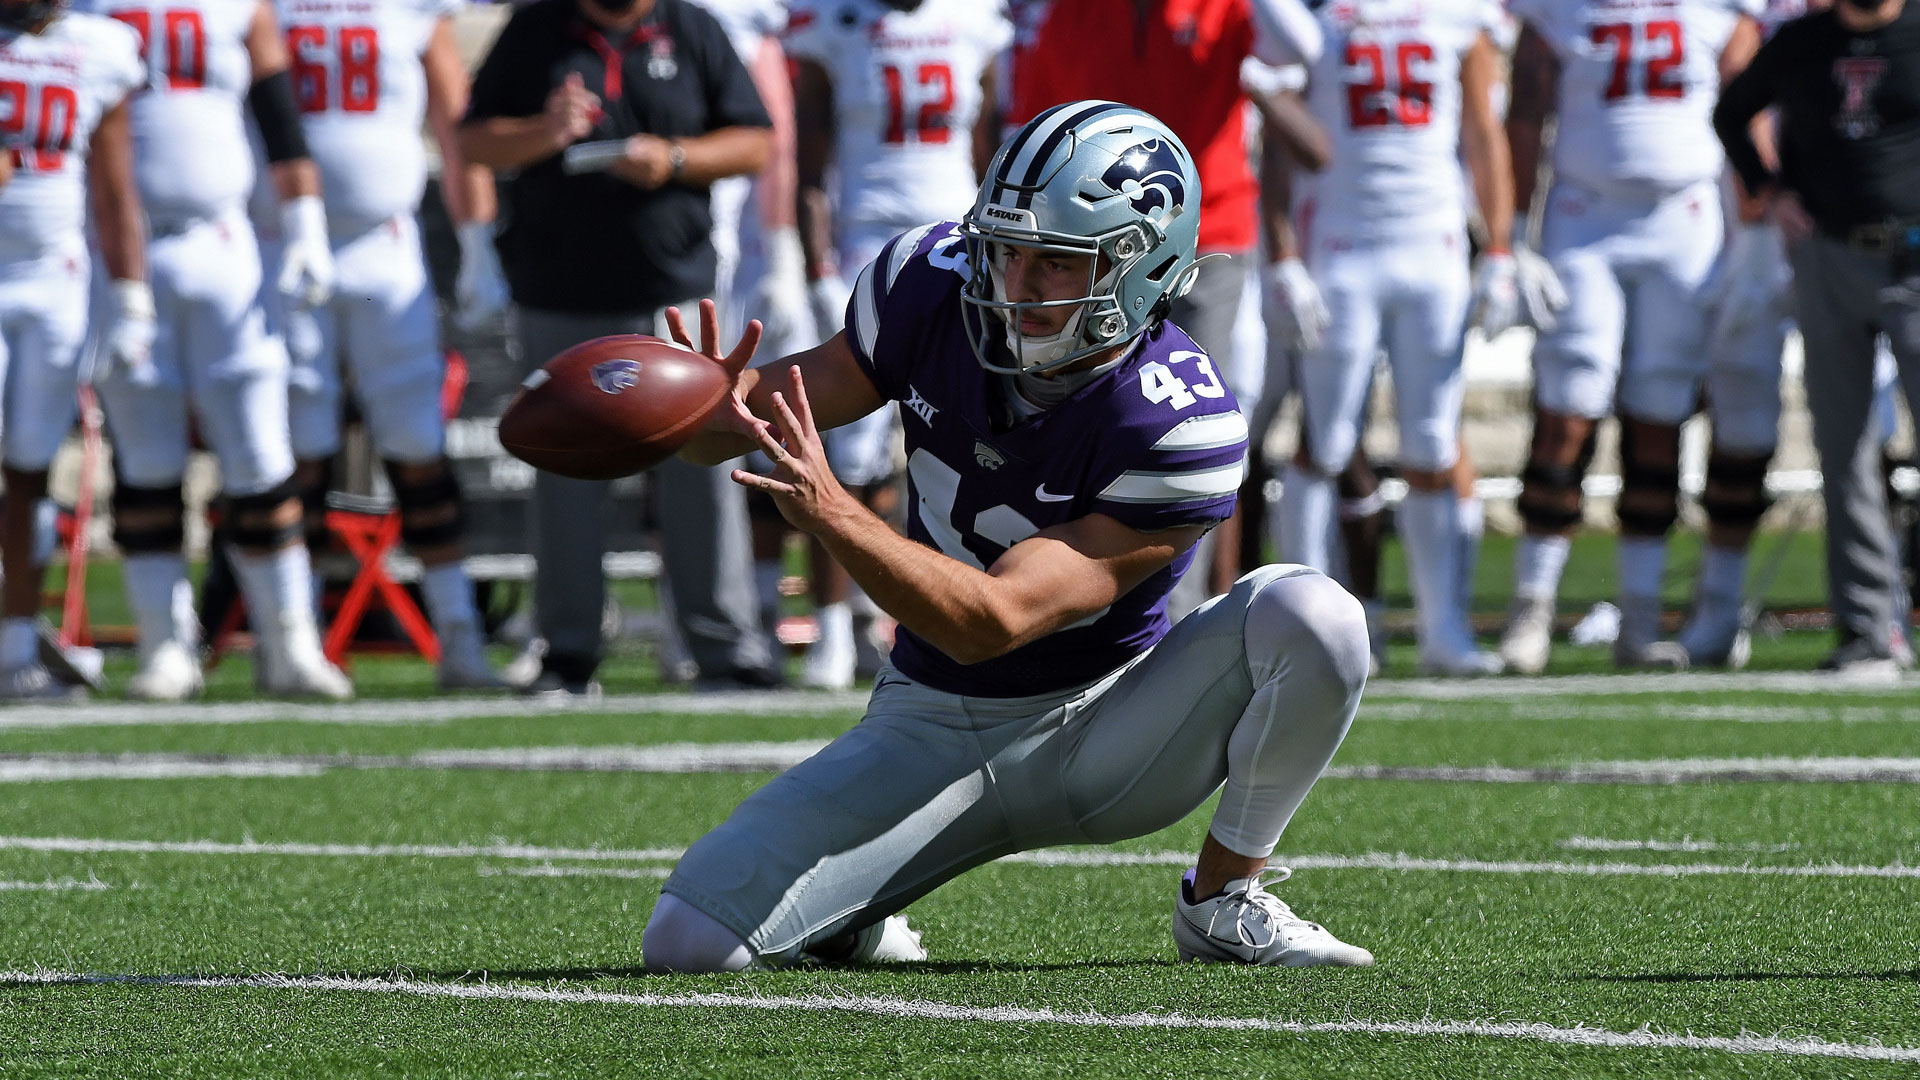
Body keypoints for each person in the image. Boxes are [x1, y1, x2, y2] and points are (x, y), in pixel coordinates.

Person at [643, 103, 1373, 972]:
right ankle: (850, 917)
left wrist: (834, 512)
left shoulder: (1181, 421)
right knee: (691, 946)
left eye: (1055, 263)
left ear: (1141, 268)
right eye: (1006, 249)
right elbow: (765, 412)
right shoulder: (930, 287)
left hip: (1110, 727)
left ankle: (1223, 899)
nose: (1015, 286)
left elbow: (990, 619)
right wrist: (684, 409)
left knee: (1314, 615)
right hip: (930, 719)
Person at [457, 0, 776, 697]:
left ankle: (724, 647)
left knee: (702, 464)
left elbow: (756, 140)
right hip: (557, 289)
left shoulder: (691, 27)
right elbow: (474, 140)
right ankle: (567, 648)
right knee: (564, 473)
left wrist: (675, 158)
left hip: (674, 285)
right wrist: (546, 130)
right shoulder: (538, 28)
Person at [1008, 0, 1327, 615]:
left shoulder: (1223, 7)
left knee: (1196, 419)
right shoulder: (1071, 15)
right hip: (1094, 250)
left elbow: (1301, 46)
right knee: (1085, 408)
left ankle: (1178, 609)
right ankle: (1080, 592)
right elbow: (1036, 126)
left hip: (1210, 238)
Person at [1266, 0, 1550, 676]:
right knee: (1327, 440)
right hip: (1340, 243)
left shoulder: (1459, 15)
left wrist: (1502, 246)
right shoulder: (1315, 16)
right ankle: (1304, 625)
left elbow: (1484, 131)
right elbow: (1281, 131)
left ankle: (1442, 629)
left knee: (1430, 440)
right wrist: (1282, 255)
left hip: (1434, 246)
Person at [76, 0, 350, 700]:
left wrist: (304, 221)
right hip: (120, 250)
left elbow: (278, 114)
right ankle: (165, 645)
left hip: (225, 242)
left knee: (262, 451)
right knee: (147, 456)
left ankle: (290, 642)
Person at [1497, 0, 1760, 673]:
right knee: (1567, 408)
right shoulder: (1557, 12)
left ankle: (1640, 618)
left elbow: (1748, 107)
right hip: (1584, 215)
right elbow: (1525, 113)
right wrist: (1513, 234)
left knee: (1660, 413)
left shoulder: (1724, 13)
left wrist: (1751, 230)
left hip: (1686, 215)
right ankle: (1532, 608)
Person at [265, 0, 509, 690]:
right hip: (285, 243)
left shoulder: (415, 10)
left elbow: (455, 122)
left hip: (385, 242)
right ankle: (293, 636)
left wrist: (476, 240)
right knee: (298, 448)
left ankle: (458, 634)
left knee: (417, 444)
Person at [784, 0, 1013, 688]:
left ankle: (939, 612)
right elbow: (809, 163)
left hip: (959, 246)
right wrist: (818, 267)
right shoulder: (832, 21)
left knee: (963, 434)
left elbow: (994, 152)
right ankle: (832, 625)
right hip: (868, 243)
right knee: (850, 449)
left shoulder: (978, 22)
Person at [1714, 0, 1920, 678]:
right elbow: (1731, 111)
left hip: (1914, 256)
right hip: (1830, 254)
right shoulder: (1803, 41)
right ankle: (1870, 630)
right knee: (1845, 447)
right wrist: (1769, 190)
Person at [0, 0, 148, 699]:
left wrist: (132, 298)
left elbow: (114, 187)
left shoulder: (100, 46)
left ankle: (15, 642)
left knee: (28, 471)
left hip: (54, 279)